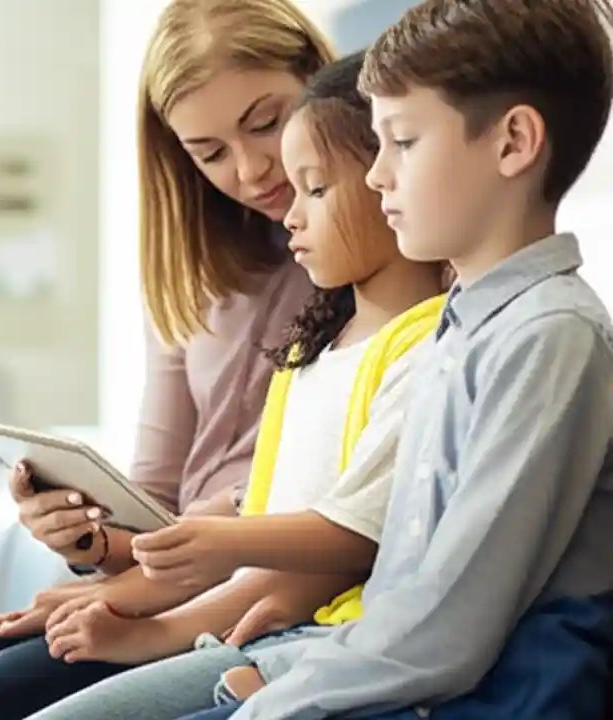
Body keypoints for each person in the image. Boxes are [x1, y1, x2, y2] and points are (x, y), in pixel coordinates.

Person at [0, 2, 331, 718]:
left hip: (247, 593)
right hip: (176, 577)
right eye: (209, 152)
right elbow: (157, 506)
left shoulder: (373, 253)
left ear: (319, 79)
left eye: (266, 122)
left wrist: (122, 592)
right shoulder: (192, 273)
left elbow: (332, 487)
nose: (249, 170)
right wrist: (91, 543)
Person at [174, 0, 613, 717]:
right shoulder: (460, 324)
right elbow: (401, 600)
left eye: (401, 142)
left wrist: (283, 700)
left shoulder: (548, 338)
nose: (376, 178)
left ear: (513, 143)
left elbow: (447, 634)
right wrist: (294, 671)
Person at [22, 49, 443, 720]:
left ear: (388, 179)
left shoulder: (429, 348)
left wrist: (145, 616)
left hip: (303, 636)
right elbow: (247, 509)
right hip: (236, 613)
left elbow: (341, 536)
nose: (263, 186)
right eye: (210, 152)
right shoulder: (311, 352)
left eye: (315, 186)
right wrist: (100, 559)